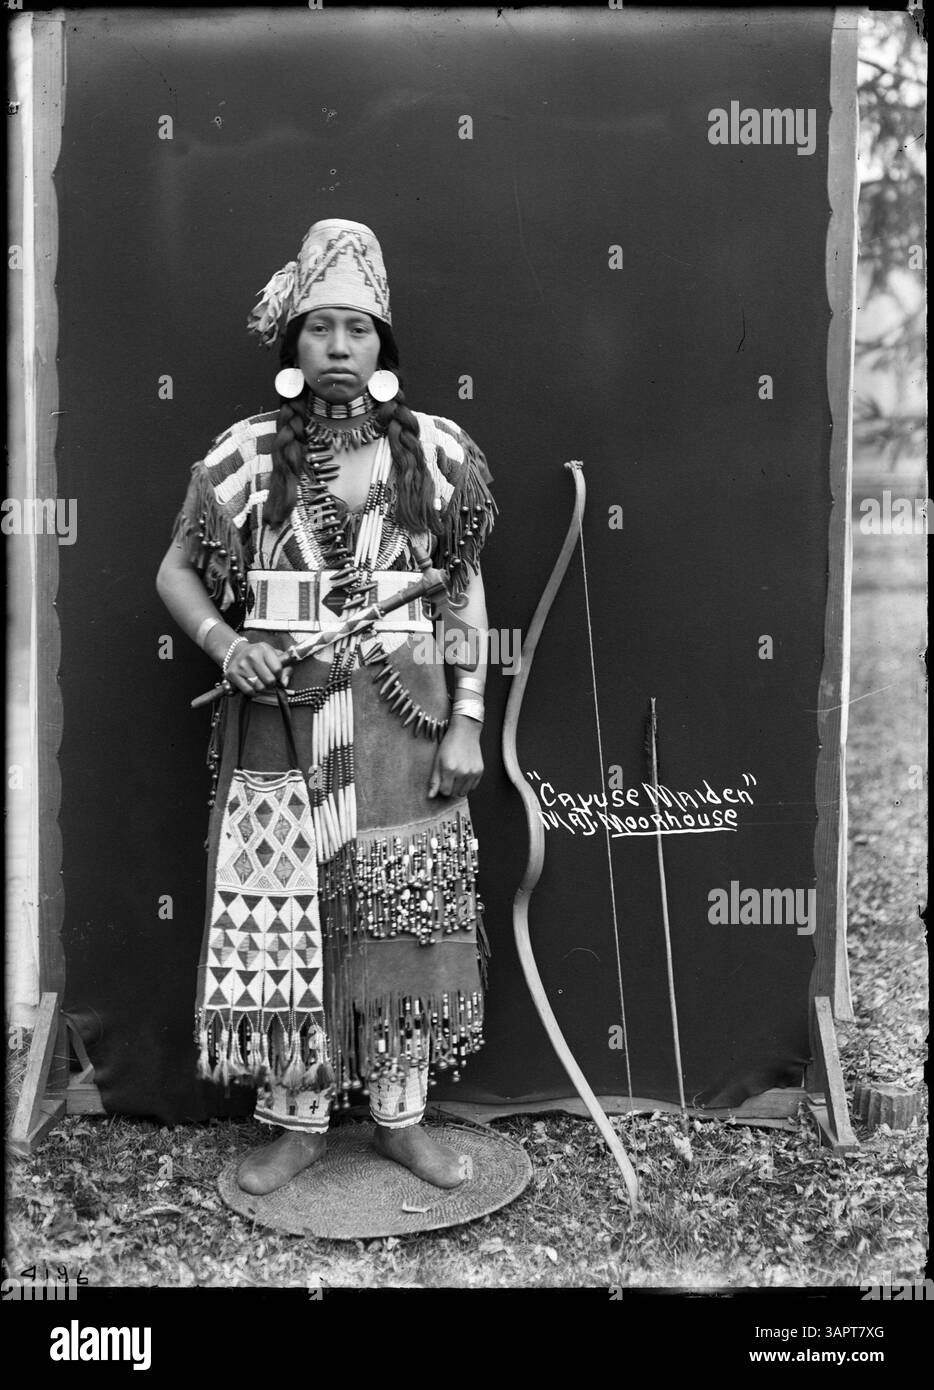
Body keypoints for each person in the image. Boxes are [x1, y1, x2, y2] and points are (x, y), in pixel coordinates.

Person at [156, 218, 496, 1194]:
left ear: (383, 345)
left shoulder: (434, 453)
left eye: (356, 328)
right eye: (319, 329)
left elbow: (462, 590)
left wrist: (469, 717)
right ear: (291, 345)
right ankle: (297, 1122)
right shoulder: (248, 457)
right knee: (291, 917)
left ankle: (400, 1119)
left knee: (403, 916)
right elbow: (178, 572)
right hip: (284, 725)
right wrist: (229, 643)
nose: (339, 346)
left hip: (409, 727)